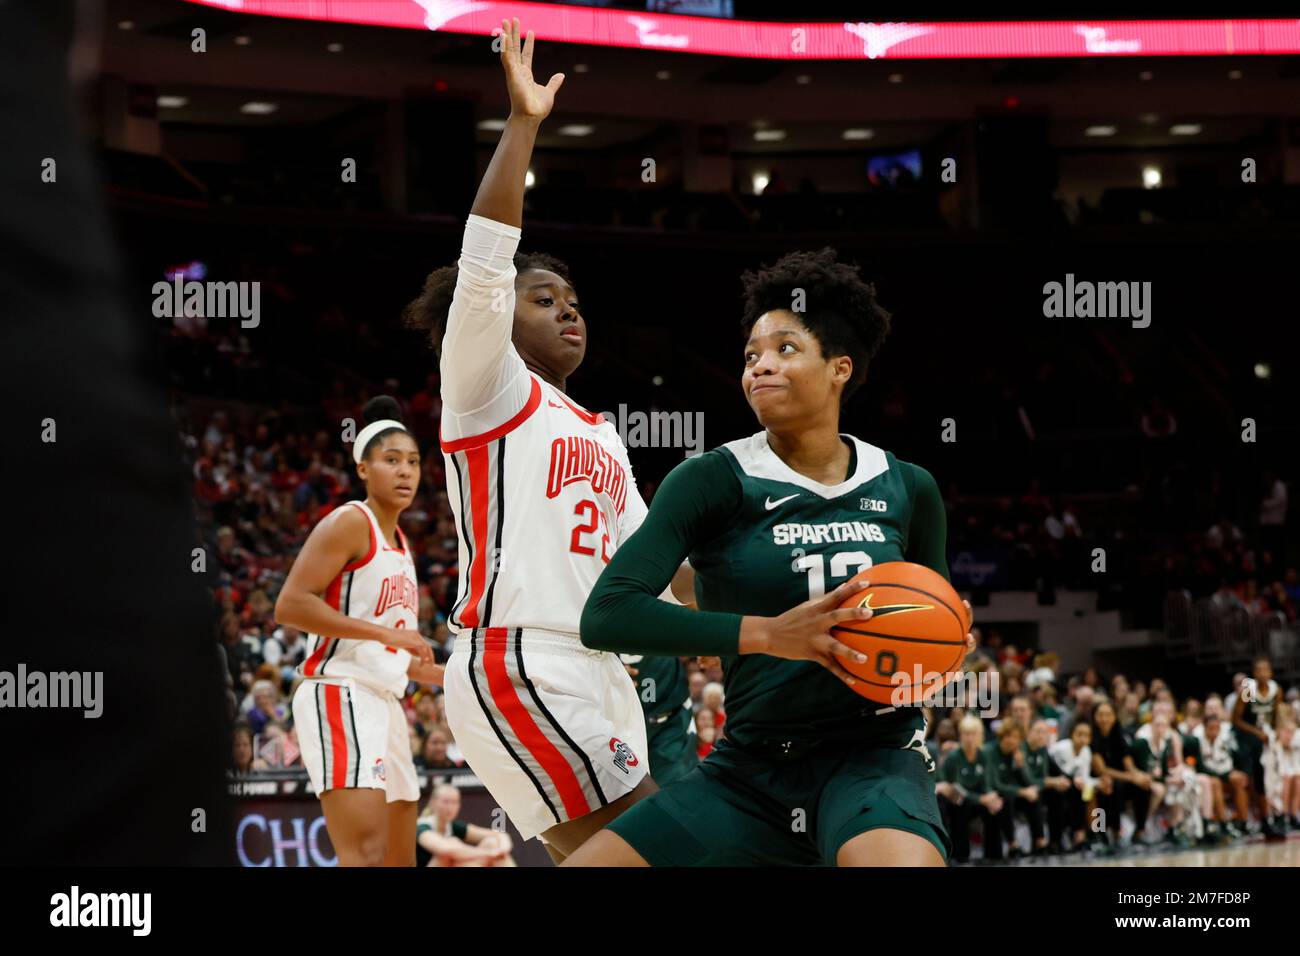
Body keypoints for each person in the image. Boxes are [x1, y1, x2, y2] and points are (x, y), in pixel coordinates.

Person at [565, 244, 976, 867]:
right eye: (751, 355)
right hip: (750, 770)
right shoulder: (710, 479)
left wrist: (945, 649)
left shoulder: (908, 487)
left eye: (786, 349)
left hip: (873, 759)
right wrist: (770, 635)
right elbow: (608, 616)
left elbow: (928, 648)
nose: (761, 367)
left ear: (840, 368)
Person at [401, 20, 686, 863]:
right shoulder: (487, 387)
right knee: (666, 851)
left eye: (574, 299)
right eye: (545, 297)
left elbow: (661, 572)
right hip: (522, 657)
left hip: (600, 670)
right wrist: (523, 124)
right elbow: (487, 259)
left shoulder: (603, 434)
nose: (569, 309)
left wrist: (783, 622)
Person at [274, 398, 442, 866]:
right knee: (364, 856)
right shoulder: (352, 521)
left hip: (386, 702)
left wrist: (469, 677)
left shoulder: (405, 547)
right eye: (391, 461)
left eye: (412, 462)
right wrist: (385, 636)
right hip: (340, 693)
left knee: (399, 859)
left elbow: (397, 657)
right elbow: (290, 606)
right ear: (364, 468)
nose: (405, 472)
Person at [936, 717, 1008, 863]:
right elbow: (956, 787)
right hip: (956, 800)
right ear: (960, 735)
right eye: (966, 734)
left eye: (973, 734)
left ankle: (994, 855)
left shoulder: (983, 755)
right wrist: (982, 799)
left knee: (996, 805)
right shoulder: (954, 757)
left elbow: (987, 783)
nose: (969, 738)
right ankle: (961, 855)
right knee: (961, 805)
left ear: (980, 735)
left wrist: (991, 797)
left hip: (977, 799)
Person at [1091, 700, 1155, 853]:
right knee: (1111, 786)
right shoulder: (1092, 738)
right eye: (1101, 715)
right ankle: (1107, 834)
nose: (1104, 718)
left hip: (1119, 779)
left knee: (1143, 786)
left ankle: (1139, 831)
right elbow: (1101, 770)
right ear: (1094, 717)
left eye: (1108, 714)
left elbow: (1128, 764)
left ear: (1114, 717)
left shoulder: (1119, 735)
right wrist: (1131, 777)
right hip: (1095, 781)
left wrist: (1139, 776)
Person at [1232, 656, 1284, 838]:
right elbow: (1236, 719)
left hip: (1264, 738)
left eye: (1266, 670)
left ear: (1271, 672)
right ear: (1254, 673)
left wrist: (1276, 731)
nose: (1263, 673)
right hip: (1245, 739)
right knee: (1250, 779)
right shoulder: (1248, 689)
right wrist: (1257, 733)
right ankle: (1248, 821)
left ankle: (1271, 818)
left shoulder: (1276, 690)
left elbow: (1277, 714)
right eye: (1259, 670)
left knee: (1268, 779)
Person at [415, 783, 515, 867]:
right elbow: (447, 850)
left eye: (454, 802)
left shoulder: (452, 826)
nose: (450, 807)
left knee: (491, 843)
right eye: (445, 802)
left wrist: (501, 850)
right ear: (433, 802)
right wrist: (490, 854)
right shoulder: (422, 826)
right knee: (452, 845)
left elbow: (500, 835)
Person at [1047, 721, 1094, 853]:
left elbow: (1084, 776)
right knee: (1067, 793)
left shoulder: (1086, 751)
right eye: (1079, 734)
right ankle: (1057, 840)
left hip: (1070, 785)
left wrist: (1095, 783)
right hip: (1053, 781)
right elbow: (1059, 771)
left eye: (1086, 735)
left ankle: (1085, 834)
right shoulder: (1062, 749)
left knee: (1087, 792)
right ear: (1072, 735)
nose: (1082, 738)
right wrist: (1077, 781)